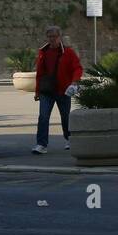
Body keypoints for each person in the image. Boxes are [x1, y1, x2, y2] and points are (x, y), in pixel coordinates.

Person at [32, 26, 83, 154]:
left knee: (65, 117)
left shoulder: (68, 52)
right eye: (50, 37)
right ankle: (41, 144)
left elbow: (77, 68)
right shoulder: (43, 52)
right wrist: (37, 91)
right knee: (43, 117)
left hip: (63, 90)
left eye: (54, 37)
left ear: (59, 37)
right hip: (47, 91)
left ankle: (69, 139)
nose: (52, 39)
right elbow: (40, 73)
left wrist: (74, 82)